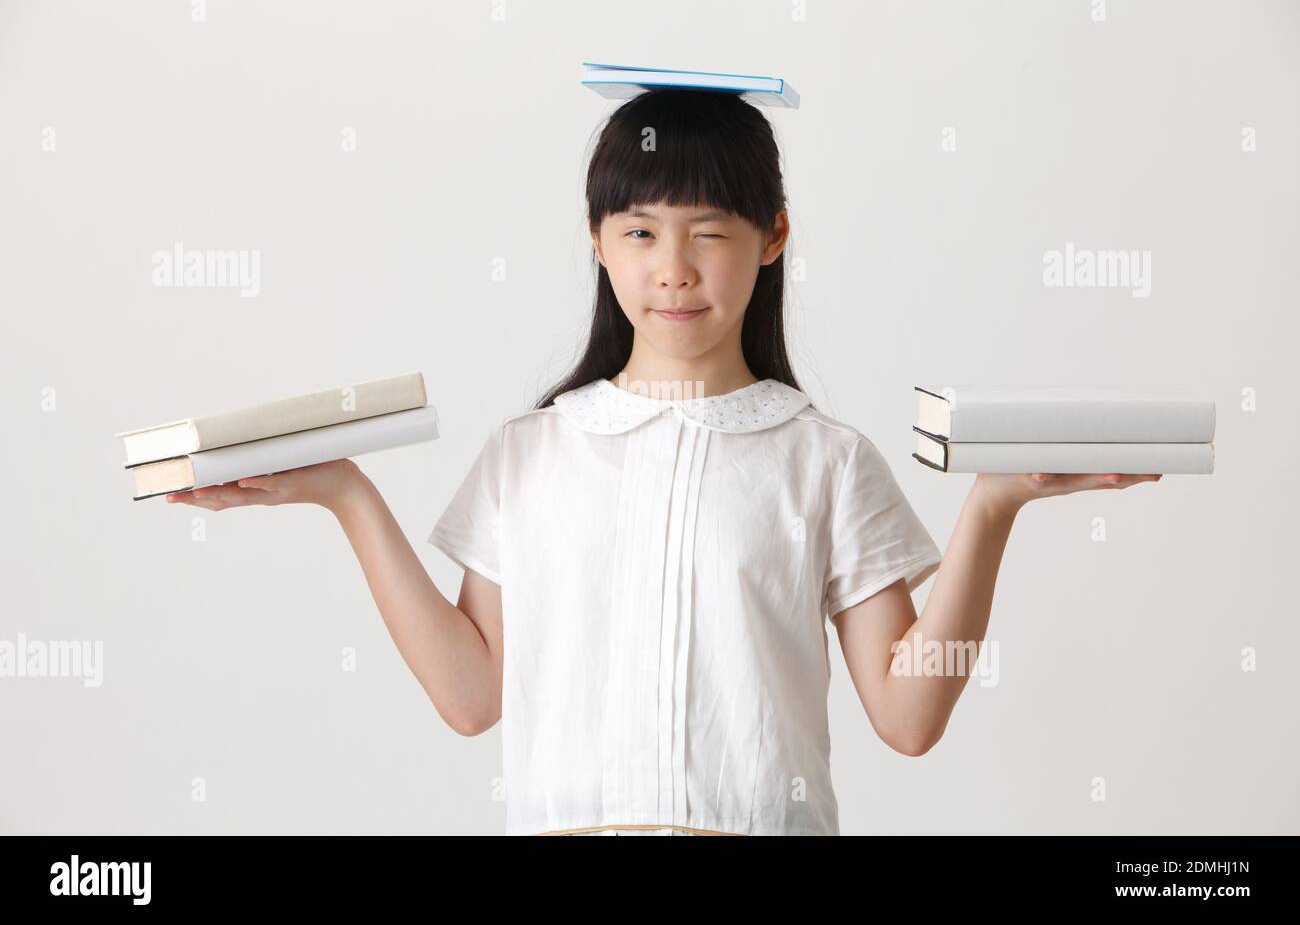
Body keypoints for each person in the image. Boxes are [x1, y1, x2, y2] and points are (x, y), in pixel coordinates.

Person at [167, 89, 1161, 835]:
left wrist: (990, 508)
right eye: (639, 230)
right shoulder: (531, 451)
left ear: (772, 237)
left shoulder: (823, 460)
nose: (672, 267)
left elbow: (907, 713)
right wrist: (346, 493)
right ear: (597, 240)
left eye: (708, 232)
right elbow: (472, 696)